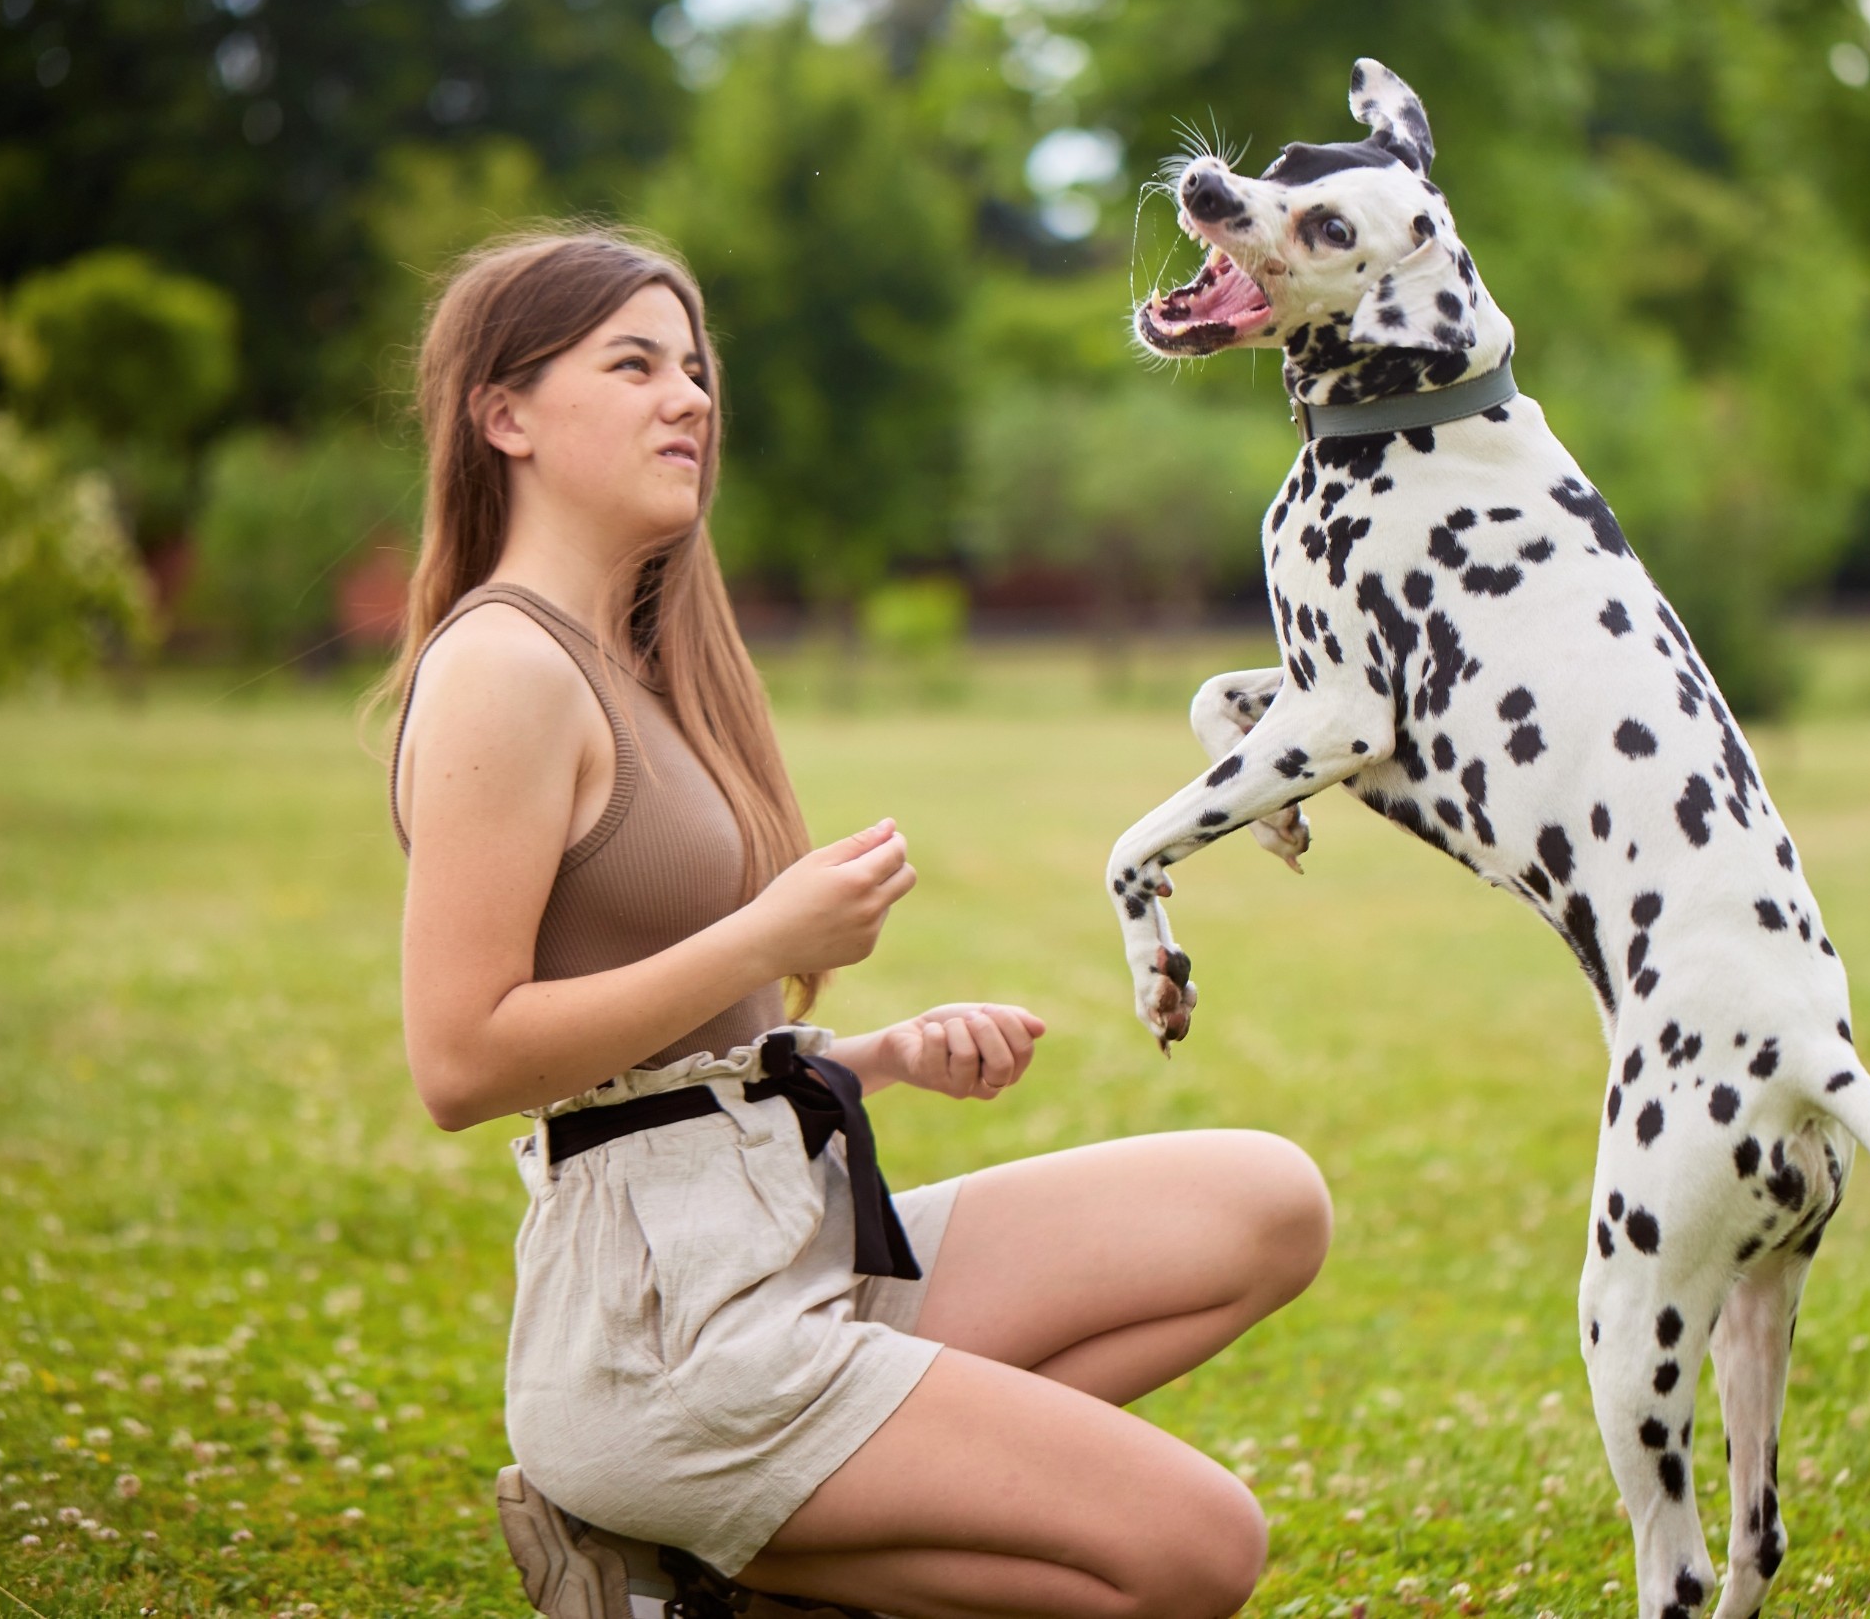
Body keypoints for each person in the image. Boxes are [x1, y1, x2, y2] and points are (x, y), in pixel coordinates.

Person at [380, 229, 1332, 1619]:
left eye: (695, 370)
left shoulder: (643, 663)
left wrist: (861, 1058)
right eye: (634, 365)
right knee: (1194, 1551)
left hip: (791, 1236)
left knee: (1264, 1203)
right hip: (668, 1334)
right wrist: (768, 932)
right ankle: (719, 1546)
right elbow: (460, 1062)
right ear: (504, 414)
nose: (691, 399)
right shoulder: (501, 668)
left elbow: (655, 1053)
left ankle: (726, 1580)